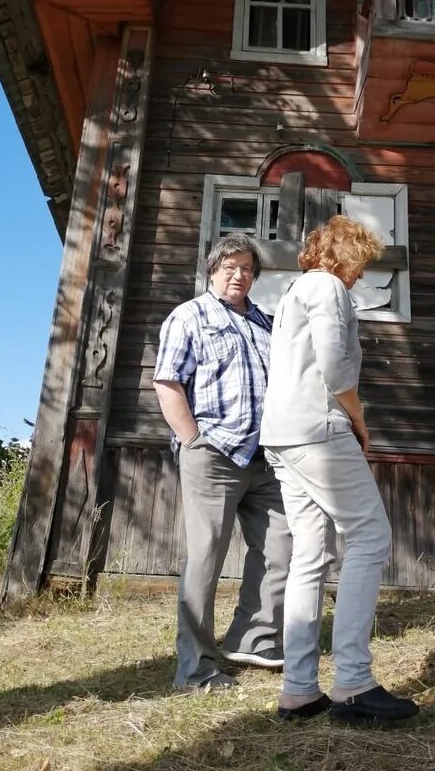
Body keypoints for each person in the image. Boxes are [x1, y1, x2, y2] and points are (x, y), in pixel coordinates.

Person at [260, 215, 419, 725]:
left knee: (310, 553)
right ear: (344, 256)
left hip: (282, 433)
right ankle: (353, 682)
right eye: (360, 264)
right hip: (317, 430)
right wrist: (358, 416)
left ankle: (299, 689)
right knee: (370, 536)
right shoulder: (327, 286)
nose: (360, 277)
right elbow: (333, 364)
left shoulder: (291, 293)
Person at [153, 233, 291, 689]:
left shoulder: (265, 323)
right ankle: (195, 669)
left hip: (263, 457)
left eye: (248, 269)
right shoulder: (189, 316)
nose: (240, 275)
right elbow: (168, 383)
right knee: (206, 559)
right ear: (212, 270)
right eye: (230, 267)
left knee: (282, 547)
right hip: (212, 454)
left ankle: (254, 637)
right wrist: (192, 441)